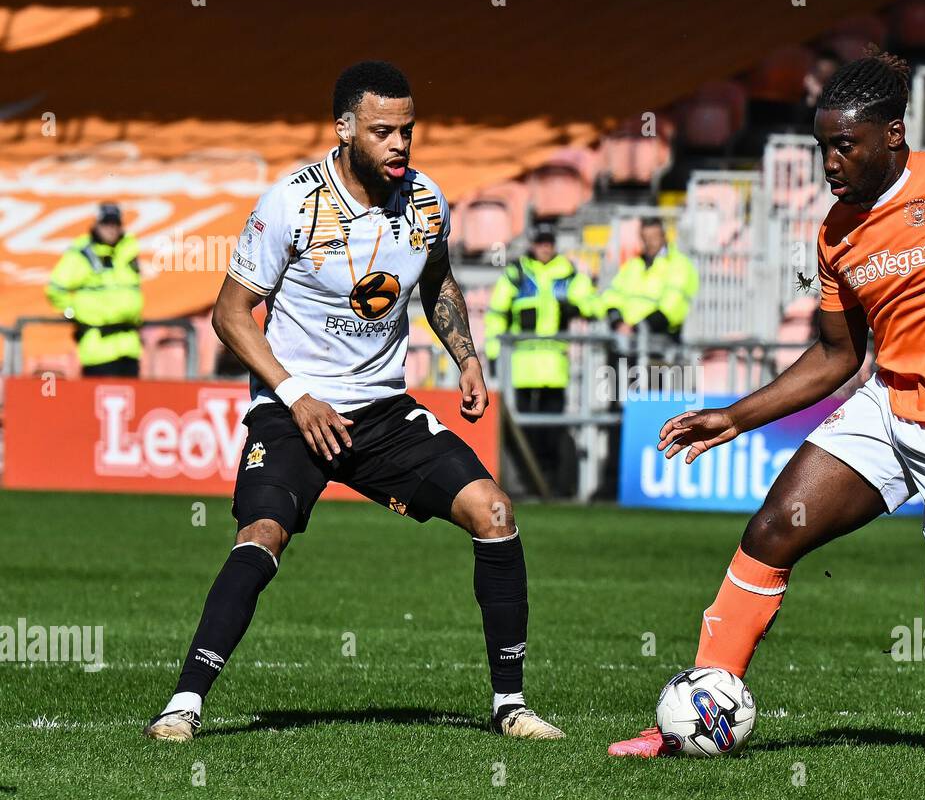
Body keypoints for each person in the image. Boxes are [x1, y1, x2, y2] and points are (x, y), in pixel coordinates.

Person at [609, 47, 925, 757]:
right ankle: (699, 711)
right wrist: (733, 415)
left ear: (892, 136)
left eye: (844, 145)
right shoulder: (835, 233)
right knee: (770, 534)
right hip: (889, 407)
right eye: (823, 147)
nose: (831, 163)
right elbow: (836, 357)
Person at [144, 61, 563, 743]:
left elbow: (439, 282)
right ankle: (184, 705)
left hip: (381, 414)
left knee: (494, 512)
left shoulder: (427, 200)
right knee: (262, 534)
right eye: (382, 131)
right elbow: (230, 315)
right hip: (293, 408)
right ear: (344, 130)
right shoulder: (291, 202)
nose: (399, 144)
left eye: (408, 130)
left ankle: (510, 705)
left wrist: (466, 357)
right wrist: (295, 395)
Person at [484, 224, 597, 494]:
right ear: (533, 244)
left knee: (551, 432)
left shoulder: (569, 274)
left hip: (555, 369)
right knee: (524, 433)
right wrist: (492, 354)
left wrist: (579, 306)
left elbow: (595, 304)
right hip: (521, 370)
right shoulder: (516, 275)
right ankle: (527, 483)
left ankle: (550, 485)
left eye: (549, 242)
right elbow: (496, 316)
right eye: (541, 242)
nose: (545, 247)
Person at [46, 202, 143, 377]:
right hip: (99, 349)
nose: (111, 229)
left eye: (115, 224)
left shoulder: (127, 250)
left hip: (129, 346)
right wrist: (72, 312)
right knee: (100, 400)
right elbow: (55, 289)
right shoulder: (83, 253)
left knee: (133, 400)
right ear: (96, 225)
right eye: (106, 224)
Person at [601, 218, 698, 341]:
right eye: (645, 238)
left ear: (663, 237)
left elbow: (672, 306)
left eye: (653, 237)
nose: (649, 243)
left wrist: (638, 329)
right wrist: (618, 322)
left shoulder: (678, 264)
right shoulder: (633, 265)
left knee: (653, 360)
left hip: (660, 341)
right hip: (626, 340)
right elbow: (611, 296)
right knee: (619, 358)